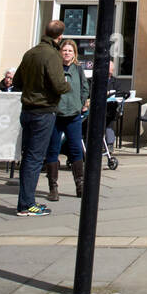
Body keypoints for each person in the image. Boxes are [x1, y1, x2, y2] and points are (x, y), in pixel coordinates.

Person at [12, 20, 70, 216]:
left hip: (27, 110)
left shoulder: (31, 53)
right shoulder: (52, 55)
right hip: (43, 111)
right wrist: (67, 85)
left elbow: (17, 81)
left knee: (28, 157)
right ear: (59, 37)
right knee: (34, 159)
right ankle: (27, 205)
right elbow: (59, 85)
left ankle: (25, 202)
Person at [44, 39, 89, 201]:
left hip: (73, 115)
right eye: (64, 50)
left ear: (74, 53)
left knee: (76, 148)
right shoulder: (54, 69)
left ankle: (80, 185)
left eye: (70, 51)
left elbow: (85, 88)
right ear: (60, 52)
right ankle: (53, 188)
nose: (67, 53)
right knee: (53, 149)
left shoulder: (78, 69)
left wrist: (82, 102)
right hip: (56, 115)